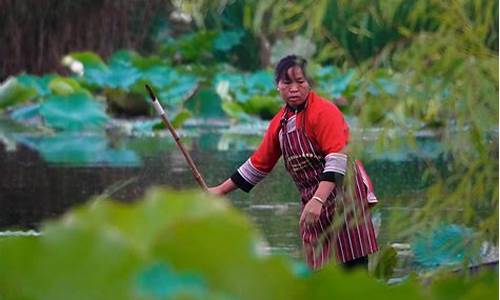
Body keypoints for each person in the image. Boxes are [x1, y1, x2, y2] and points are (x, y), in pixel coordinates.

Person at [208, 55, 378, 270]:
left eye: (301, 82)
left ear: (309, 84)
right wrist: (220, 191)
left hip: (346, 199)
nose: (294, 89)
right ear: (278, 86)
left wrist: (318, 199)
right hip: (314, 205)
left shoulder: (324, 111)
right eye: (287, 83)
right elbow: (258, 164)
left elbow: (338, 159)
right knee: (321, 275)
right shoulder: (279, 123)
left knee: (353, 274)